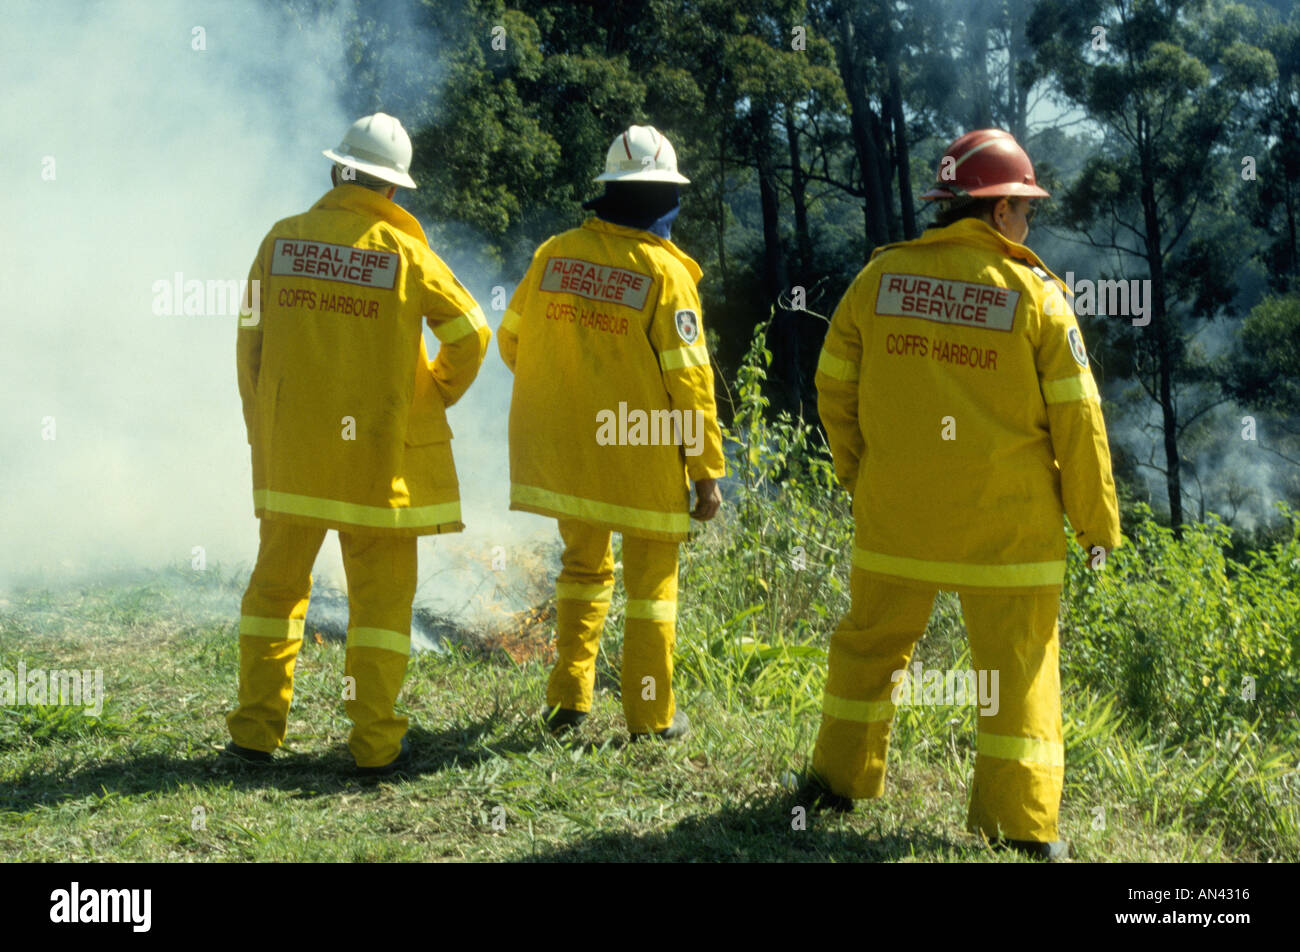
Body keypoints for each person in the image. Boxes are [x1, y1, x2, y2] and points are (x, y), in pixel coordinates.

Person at [803, 128, 1122, 859]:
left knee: (869, 646)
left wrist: (862, 475)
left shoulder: (877, 281)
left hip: (897, 517)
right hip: (1006, 529)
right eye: (1026, 208)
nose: (1028, 223)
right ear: (1000, 208)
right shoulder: (1036, 295)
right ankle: (1017, 828)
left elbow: (832, 389)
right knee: (1018, 670)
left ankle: (834, 782)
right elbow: (1080, 421)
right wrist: (1095, 521)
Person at [229, 113, 490, 774]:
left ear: (335, 170)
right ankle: (374, 746)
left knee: (274, 595)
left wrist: (269, 428)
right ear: (393, 191)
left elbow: (250, 347)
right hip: (380, 468)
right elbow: (471, 332)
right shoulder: (405, 255)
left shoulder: (281, 241)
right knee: (378, 607)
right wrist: (432, 393)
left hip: (295, 464)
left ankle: (255, 736)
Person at [498, 125, 725, 741]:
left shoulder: (553, 254)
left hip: (569, 454)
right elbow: (690, 384)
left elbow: (512, 341)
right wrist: (705, 472)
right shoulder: (665, 274)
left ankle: (569, 701)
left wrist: (573, 392)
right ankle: (651, 719)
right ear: (660, 200)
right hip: (640, 451)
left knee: (582, 569)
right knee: (652, 589)